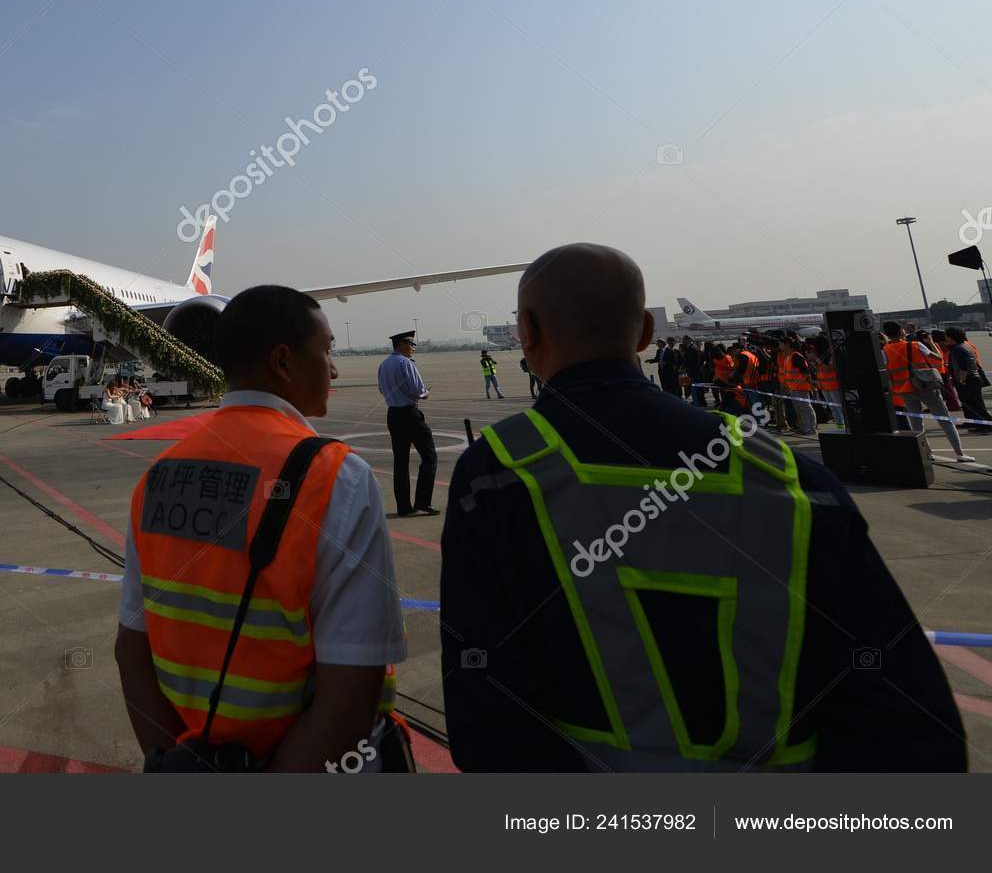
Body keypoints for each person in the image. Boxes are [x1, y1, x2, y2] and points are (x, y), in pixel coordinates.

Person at [441, 244, 965, 772]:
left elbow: (484, 715)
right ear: (646, 332)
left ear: (525, 331)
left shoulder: (499, 474)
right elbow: (910, 723)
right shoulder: (788, 474)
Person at [114, 285, 408, 772]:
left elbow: (130, 652)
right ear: (284, 361)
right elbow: (351, 696)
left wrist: (174, 761)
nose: (334, 368)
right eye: (327, 349)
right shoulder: (336, 477)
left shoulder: (158, 475)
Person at [882, 321, 973, 462]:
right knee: (944, 419)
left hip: (905, 390)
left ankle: (927, 453)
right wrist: (931, 342)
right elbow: (938, 357)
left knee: (916, 424)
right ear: (901, 332)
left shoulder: (885, 350)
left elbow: (887, 373)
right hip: (924, 386)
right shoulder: (915, 345)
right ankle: (959, 453)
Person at [378, 330, 438, 517]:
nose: (413, 349)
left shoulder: (384, 364)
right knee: (429, 457)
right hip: (409, 414)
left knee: (401, 462)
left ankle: (403, 506)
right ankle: (423, 501)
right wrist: (425, 392)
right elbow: (418, 391)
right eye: (411, 345)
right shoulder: (406, 363)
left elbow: (382, 389)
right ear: (402, 345)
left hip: (393, 414)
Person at [946, 327, 990, 428]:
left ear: (951, 337)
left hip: (968, 380)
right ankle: (973, 422)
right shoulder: (965, 346)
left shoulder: (958, 349)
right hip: (974, 378)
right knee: (973, 404)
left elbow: (964, 367)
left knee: (974, 405)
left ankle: (984, 424)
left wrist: (962, 380)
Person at [775, 334, 817, 435]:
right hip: (793, 387)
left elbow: (806, 372)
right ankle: (804, 426)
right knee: (799, 408)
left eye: (781, 343)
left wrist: (811, 385)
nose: (779, 345)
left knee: (806, 407)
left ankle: (811, 428)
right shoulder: (788, 357)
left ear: (787, 344)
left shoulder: (796, 356)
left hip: (801, 387)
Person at [808, 334, 845, 429]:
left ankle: (845, 426)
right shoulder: (820, 355)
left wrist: (816, 359)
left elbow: (828, 369)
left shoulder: (833, 353)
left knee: (839, 407)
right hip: (824, 385)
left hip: (833, 385)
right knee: (832, 408)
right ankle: (840, 426)